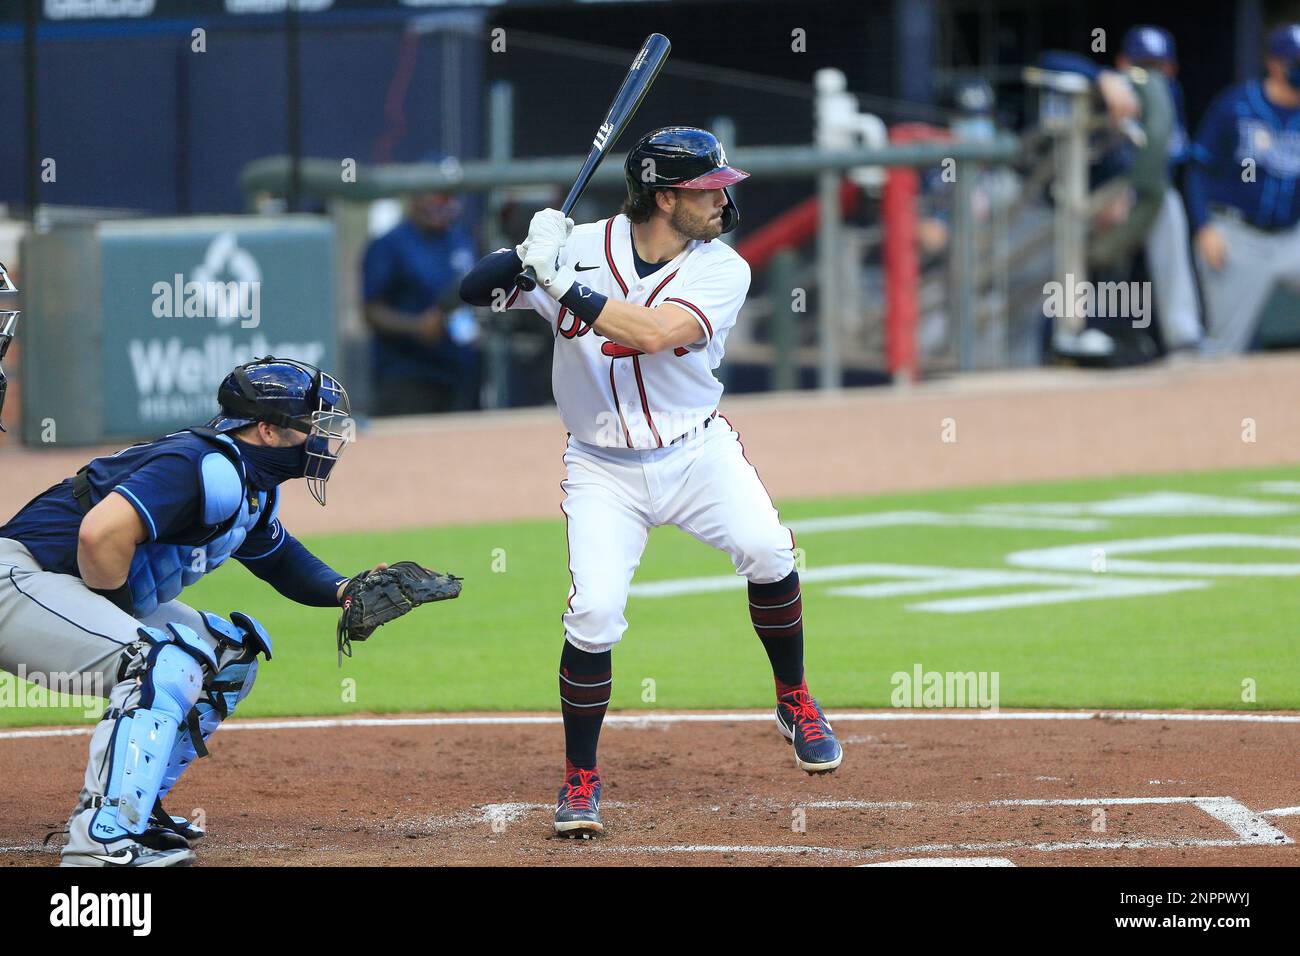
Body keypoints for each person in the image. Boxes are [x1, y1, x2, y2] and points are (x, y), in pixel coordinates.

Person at [460, 127, 843, 839]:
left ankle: (794, 698)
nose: (724, 201)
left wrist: (557, 282)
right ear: (665, 196)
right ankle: (581, 778)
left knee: (768, 549)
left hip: (697, 452)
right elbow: (471, 292)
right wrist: (521, 254)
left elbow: (653, 333)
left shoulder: (721, 268)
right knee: (595, 615)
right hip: (602, 468)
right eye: (707, 191)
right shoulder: (574, 247)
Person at [0, 357, 384, 866]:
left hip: (60, 588)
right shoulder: (202, 465)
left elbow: (283, 562)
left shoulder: (248, 487)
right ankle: (101, 838)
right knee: (158, 659)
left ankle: (135, 805)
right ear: (268, 430)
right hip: (18, 581)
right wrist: (124, 624)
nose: (325, 439)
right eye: (313, 425)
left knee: (230, 655)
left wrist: (348, 590)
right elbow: (100, 534)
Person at [1040, 25, 1204, 354]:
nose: (1149, 76)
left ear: (1171, 69)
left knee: (1168, 204)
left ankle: (1184, 335)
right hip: (1083, 203)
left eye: (1157, 68)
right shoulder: (1106, 90)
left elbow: (1169, 161)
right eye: (1140, 66)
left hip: (1136, 201)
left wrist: (1130, 193)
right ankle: (1070, 333)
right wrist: (1100, 77)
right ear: (1122, 63)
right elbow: (1047, 61)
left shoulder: (1171, 100)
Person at [1186, 23, 1300, 354]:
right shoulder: (1237, 105)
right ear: (1274, 63)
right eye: (1294, 60)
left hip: (1291, 239)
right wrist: (1203, 227)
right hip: (1238, 236)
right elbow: (1198, 169)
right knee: (1223, 351)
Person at [362, 188, 480, 414]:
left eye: (446, 197)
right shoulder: (389, 243)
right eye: (433, 195)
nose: (439, 203)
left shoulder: (462, 239)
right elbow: (371, 311)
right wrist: (417, 326)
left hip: (460, 371)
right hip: (408, 375)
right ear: (416, 197)